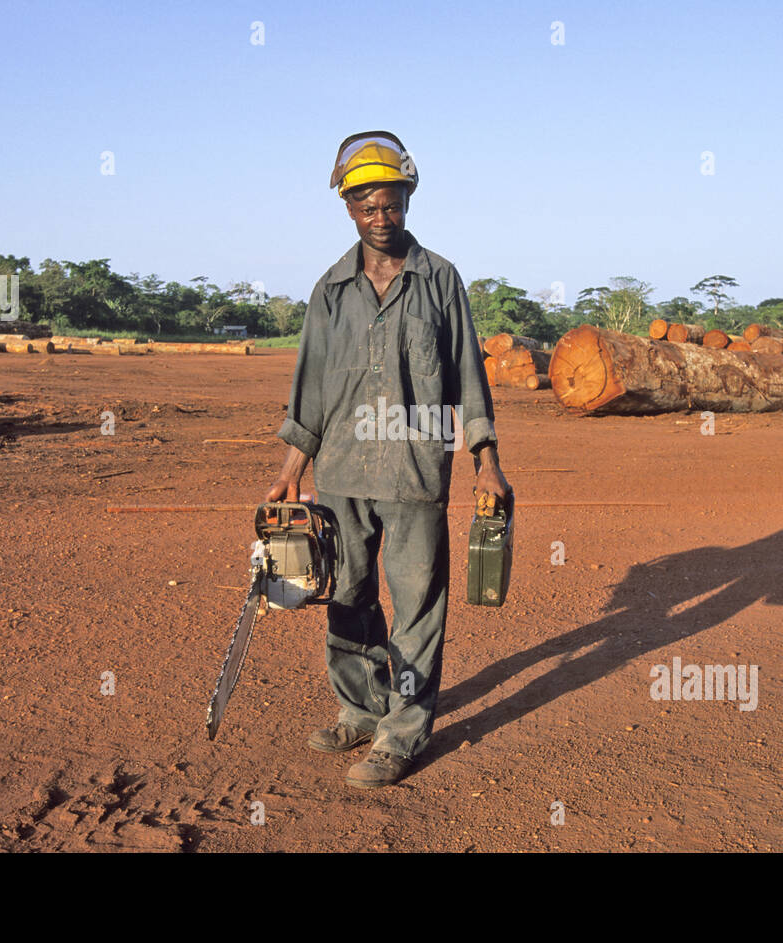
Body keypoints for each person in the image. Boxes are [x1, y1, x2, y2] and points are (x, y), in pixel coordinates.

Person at [265, 130, 510, 788]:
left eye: (391, 204)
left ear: (408, 197)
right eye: (367, 208)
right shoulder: (331, 290)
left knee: (417, 600)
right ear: (348, 209)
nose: (381, 219)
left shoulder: (440, 281)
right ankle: (360, 707)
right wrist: (291, 469)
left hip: (414, 471)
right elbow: (310, 387)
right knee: (345, 595)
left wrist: (485, 459)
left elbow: (467, 377)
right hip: (341, 470)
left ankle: (403, 732)